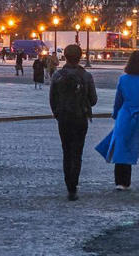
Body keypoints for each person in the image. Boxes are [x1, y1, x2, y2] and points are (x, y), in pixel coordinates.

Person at [96, 50, 139, 190]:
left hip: (126, 116)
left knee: (123, 149)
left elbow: (119, 99)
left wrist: (116, 114)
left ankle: (122, 182)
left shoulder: (123, 79)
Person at [50, 44, 97, 201]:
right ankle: (73, 186)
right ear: (80, 57)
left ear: (65, 56)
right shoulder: (86, 76)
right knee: (77, 152)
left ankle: (68, 184)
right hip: (80, 117)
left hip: (64, 118)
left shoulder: (57, 75)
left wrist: (58, 113)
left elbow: (52, 99)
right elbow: (93, 100)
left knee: (66, 151)